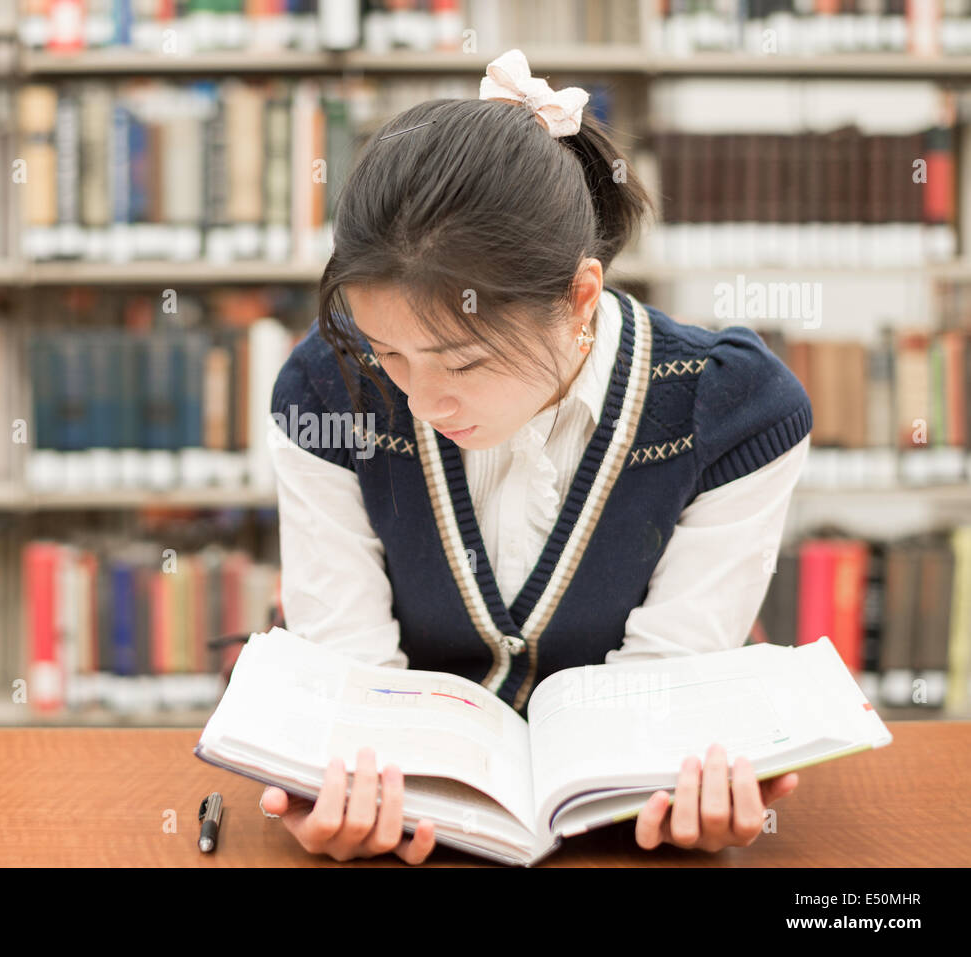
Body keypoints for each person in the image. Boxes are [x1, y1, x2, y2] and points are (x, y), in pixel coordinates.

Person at [259, 49, 810, 864]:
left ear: (580, 297)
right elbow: (354, 680)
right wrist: (340, 787)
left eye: (465, 361)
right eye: (390, 353)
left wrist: (681, 787)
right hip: (421, 837)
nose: (419, 403)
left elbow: (658, 693)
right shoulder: (326, 389)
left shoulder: (730, 411)